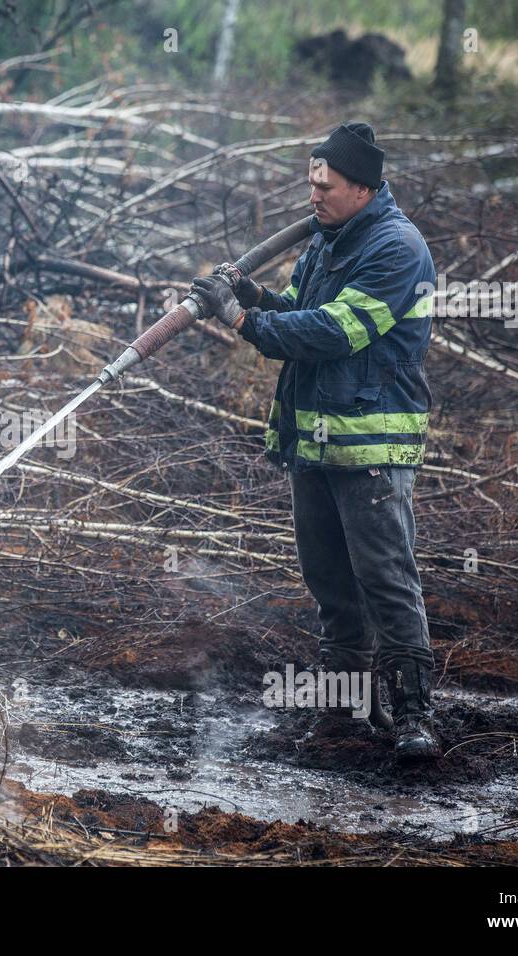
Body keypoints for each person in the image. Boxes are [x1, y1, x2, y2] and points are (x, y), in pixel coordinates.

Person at [190, 122, 440, 761]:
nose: (313, 196)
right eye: (310, 183)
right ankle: (341, 712)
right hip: (316, 442)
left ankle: (414, 717)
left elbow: (331, 332)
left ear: (362, 187)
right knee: (329, 582)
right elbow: (296, 307)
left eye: (324, 186)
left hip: (371, 448)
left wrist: (241, 319)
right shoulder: (325, 243)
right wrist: (252, 294)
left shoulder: (397, 250)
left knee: (384, 577)